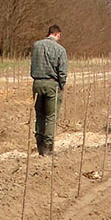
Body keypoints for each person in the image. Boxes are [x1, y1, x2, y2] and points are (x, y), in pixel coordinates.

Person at [29, 24, 68, 155]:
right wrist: (62, 85)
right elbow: (62, 71)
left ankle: (39, 146)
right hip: (52, 84)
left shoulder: (36, 46)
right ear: (57, 34)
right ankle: (48, 148)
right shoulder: (60, 49)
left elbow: (33, 64)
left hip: (37, 83)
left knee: (39, 115)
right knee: (51, 117)